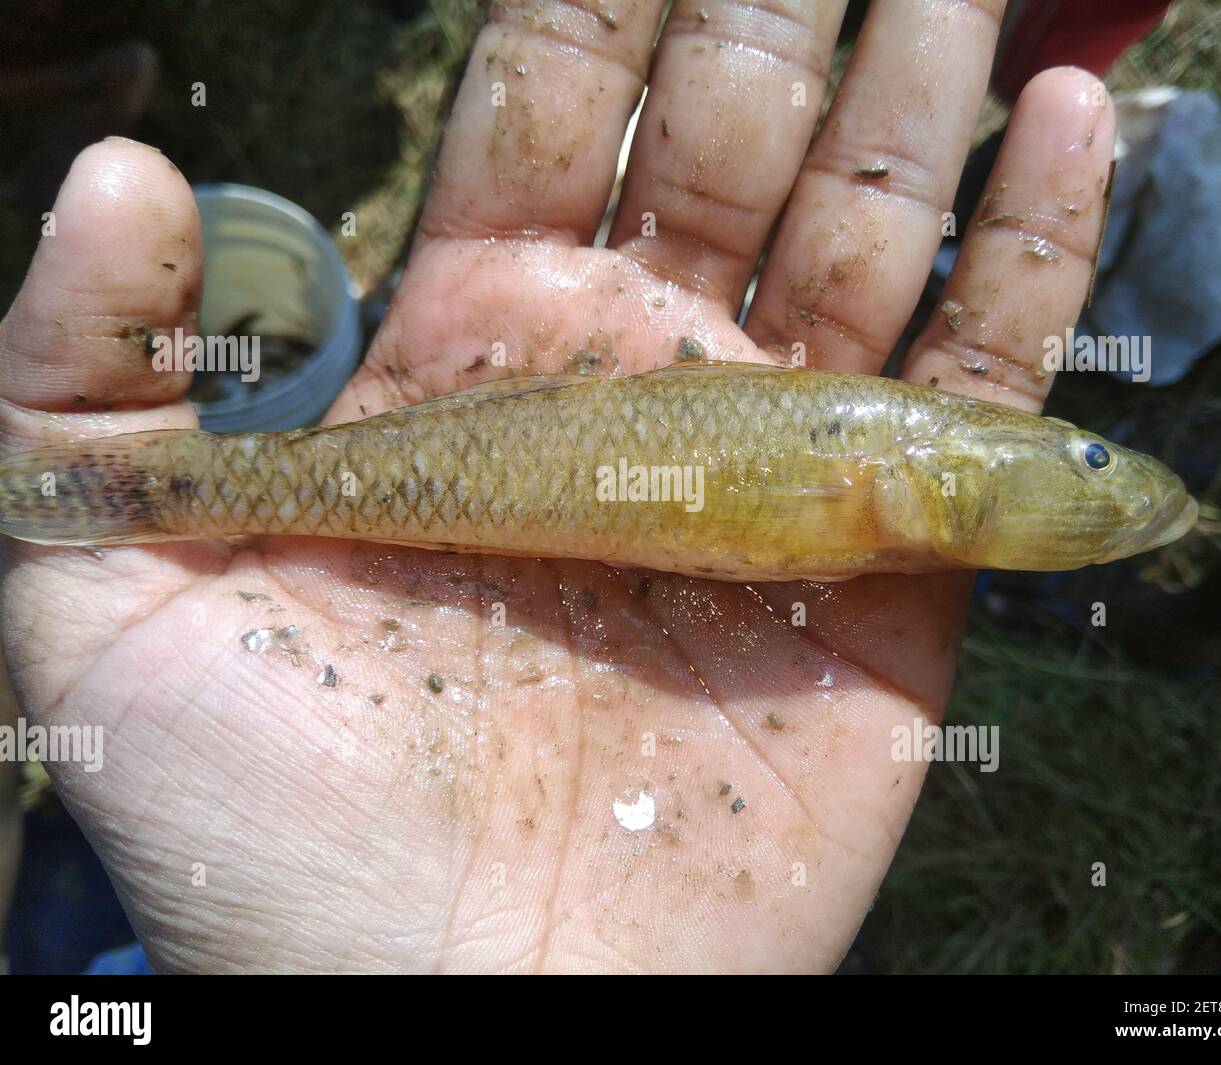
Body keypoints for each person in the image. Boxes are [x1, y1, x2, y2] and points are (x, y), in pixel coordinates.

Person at [0, 1, 1115, 972]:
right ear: (952, 473)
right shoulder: (892, 496)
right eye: (1088, 460)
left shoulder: (898, 510)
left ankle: (181, 493)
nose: (1094, 477)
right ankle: (171, 494)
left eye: (1089, 458)